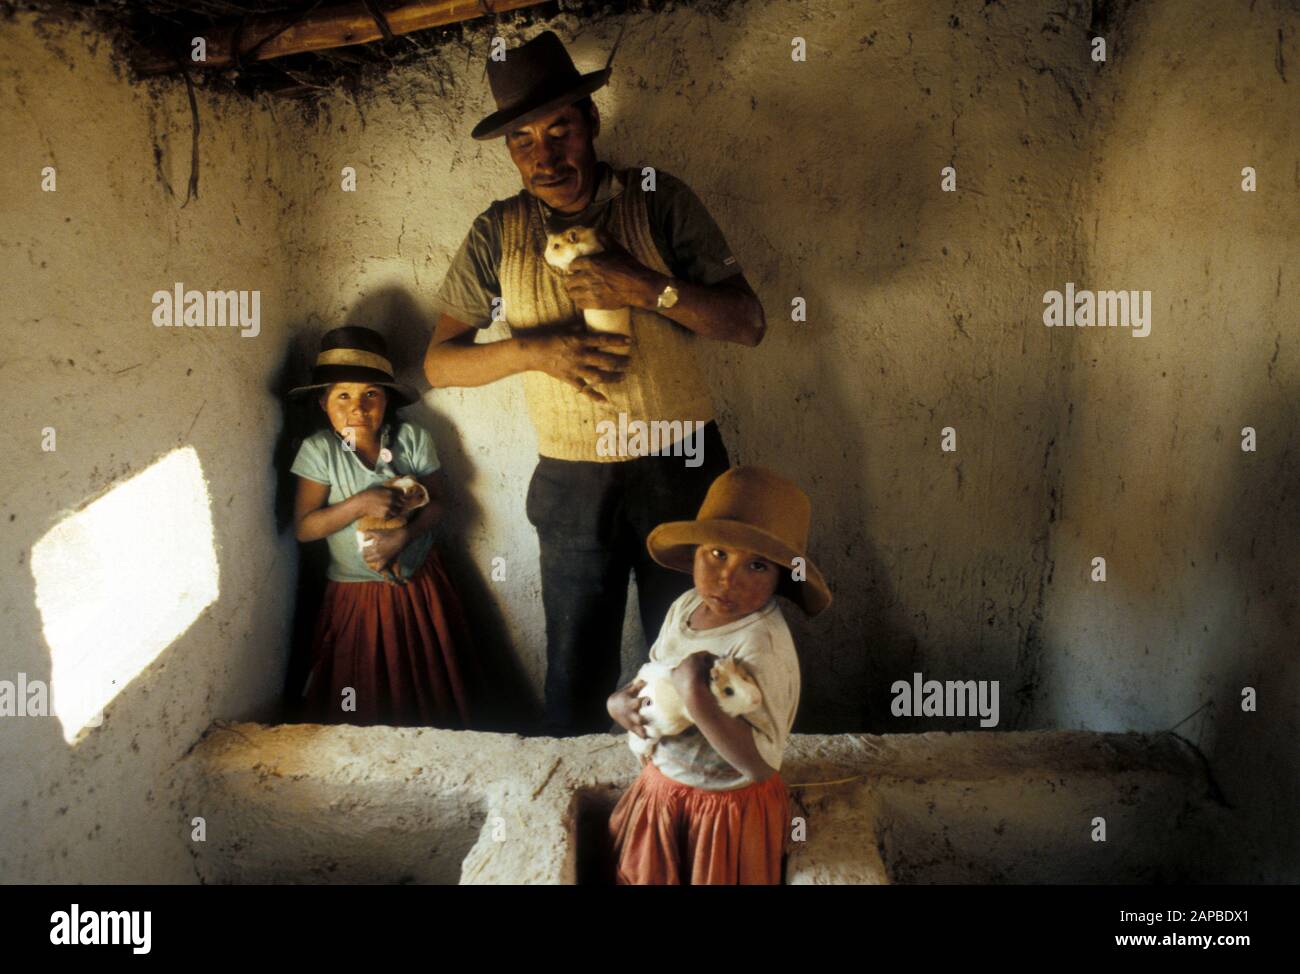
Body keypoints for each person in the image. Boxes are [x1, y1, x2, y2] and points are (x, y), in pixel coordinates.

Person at [424, 29, 767, 735]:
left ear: (591, 124)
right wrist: (534, 352)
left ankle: (695, 816)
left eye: (559, 131)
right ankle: (577, 820)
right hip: (572, 482)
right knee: (575, 674)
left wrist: (647, 288)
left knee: (694, 662)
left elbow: (748, 322)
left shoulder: (656, 198)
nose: (545, 156)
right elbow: (439, 364)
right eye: (523, 141)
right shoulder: (499, 231)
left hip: (683, 470)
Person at [606, 467, 832, 884]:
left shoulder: (759, 644)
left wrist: (696, 693)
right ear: (694, 550)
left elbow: (760, 766)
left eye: (757, 566)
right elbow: (652, 674)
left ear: (781, 576)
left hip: (724, 810)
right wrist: (620, 702)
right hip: (664, 790)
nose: (728, 578)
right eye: (718, 554)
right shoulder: (686, 606)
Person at [288, 326, 476, 727]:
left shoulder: (411, 438)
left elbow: (441, 503)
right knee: (363, 691)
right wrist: (359, 503)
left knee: (431, 687)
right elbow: (305, 528)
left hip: (420, 587)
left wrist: (403, 536)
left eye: (371, 394)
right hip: (357, 598)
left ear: (387, 399)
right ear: (323, 402)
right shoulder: (319, 451)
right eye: (343, 395)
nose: (358, 407)